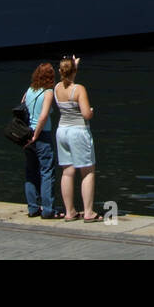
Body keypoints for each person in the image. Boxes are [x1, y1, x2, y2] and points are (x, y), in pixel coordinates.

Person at [54, 56, 98, 222]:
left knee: (67, 171)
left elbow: (66, 78)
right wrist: (92, 112)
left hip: (62, 131)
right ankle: (88, 212)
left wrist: (73, 66)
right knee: (87, 171)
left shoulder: (57, 87)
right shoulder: (79, 89)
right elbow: (86, 114)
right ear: (75, 72)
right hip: (78, 131)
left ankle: (69, 211)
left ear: (60, 71)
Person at [23, 63, 61, 218]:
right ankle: (48, 209)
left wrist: (29, 134)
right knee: (47, 172)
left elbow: (22, 107)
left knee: (31, 172)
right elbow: (44, 115)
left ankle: (32, 208)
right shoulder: (48, 92)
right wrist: (36, 134)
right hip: (41, 135)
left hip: (26, 134)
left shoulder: (29, 90)